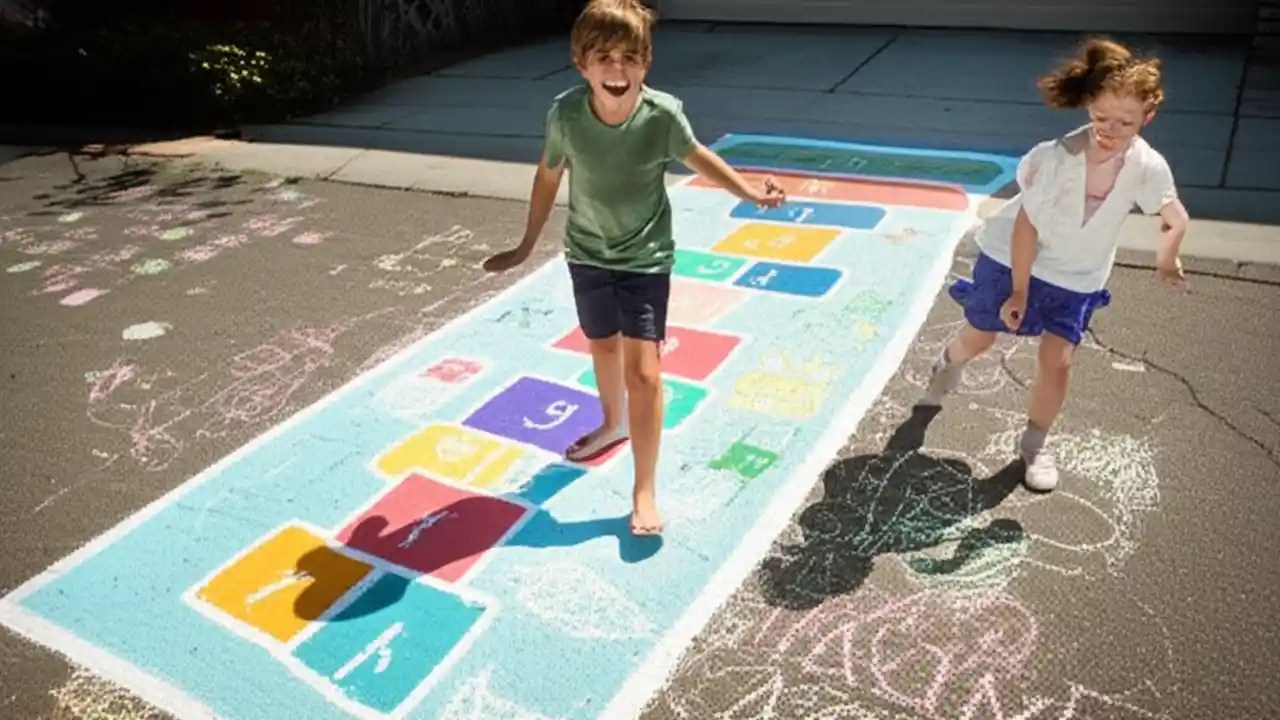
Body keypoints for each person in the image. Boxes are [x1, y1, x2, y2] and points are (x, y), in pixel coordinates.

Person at [482, 0, 786, 535]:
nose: (617, 68)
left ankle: (643, 490)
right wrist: (526, 244)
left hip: (645, 258)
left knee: (643, 373)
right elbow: (549, 175)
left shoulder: (661, 116)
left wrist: (749, 190)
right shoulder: (566, 115)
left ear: (646, 62)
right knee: (601, 346)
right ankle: (612, 423)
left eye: (630, 57)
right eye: (604, 57)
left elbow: (699, 156)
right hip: (587, 252)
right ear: (581, 64)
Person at [919, 37, 1190, 492]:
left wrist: (1167, 259)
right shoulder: (1059, 156)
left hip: (1077, 272)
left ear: (1148, 117)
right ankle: (948, 361)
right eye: (1100, 117)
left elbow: (1174, 216)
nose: (1110, 129)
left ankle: (1034, 444)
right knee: (981, 335)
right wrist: (1019, 291)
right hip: (1014, 257)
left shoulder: (1147, 165)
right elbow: (1027, 224)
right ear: (1088, 106)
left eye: (1125, 122)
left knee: (1058, 360)